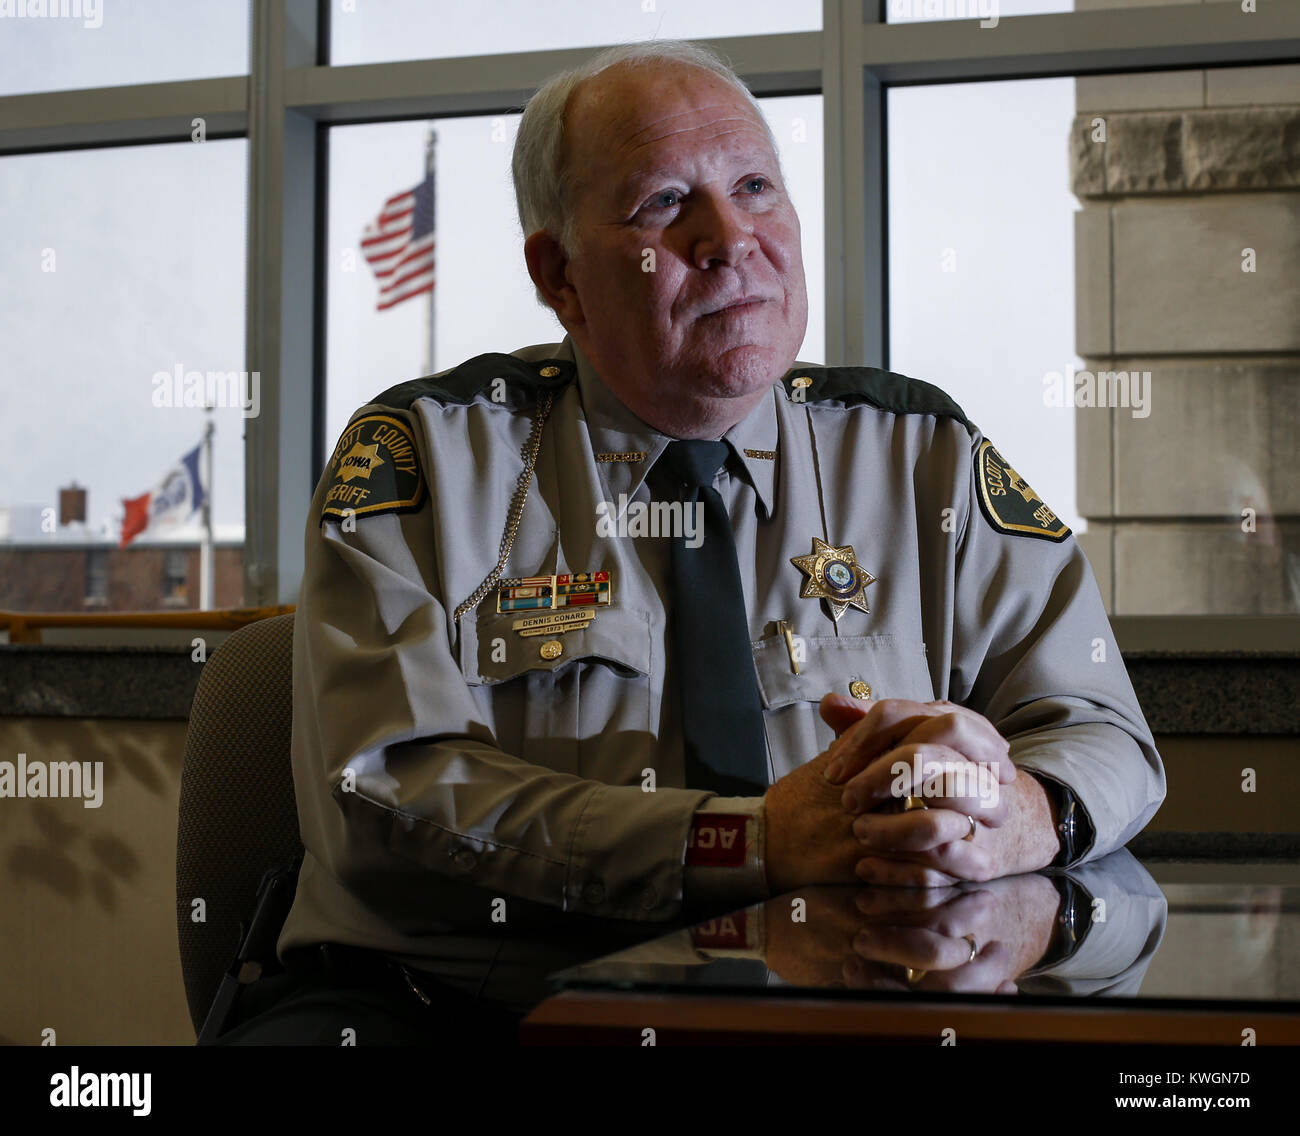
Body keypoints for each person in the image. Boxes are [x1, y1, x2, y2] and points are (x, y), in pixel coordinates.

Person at [213, 39, 1164, 1046]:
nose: (730, 236)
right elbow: (389, 788)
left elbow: (1102, 727)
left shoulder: (920, 455)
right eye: (665, 204)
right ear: (561, 275)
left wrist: (1017, 809)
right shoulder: (427, 460)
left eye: (755, 185)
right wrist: (744, 844)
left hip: (841, 1008)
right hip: (465, 1004)